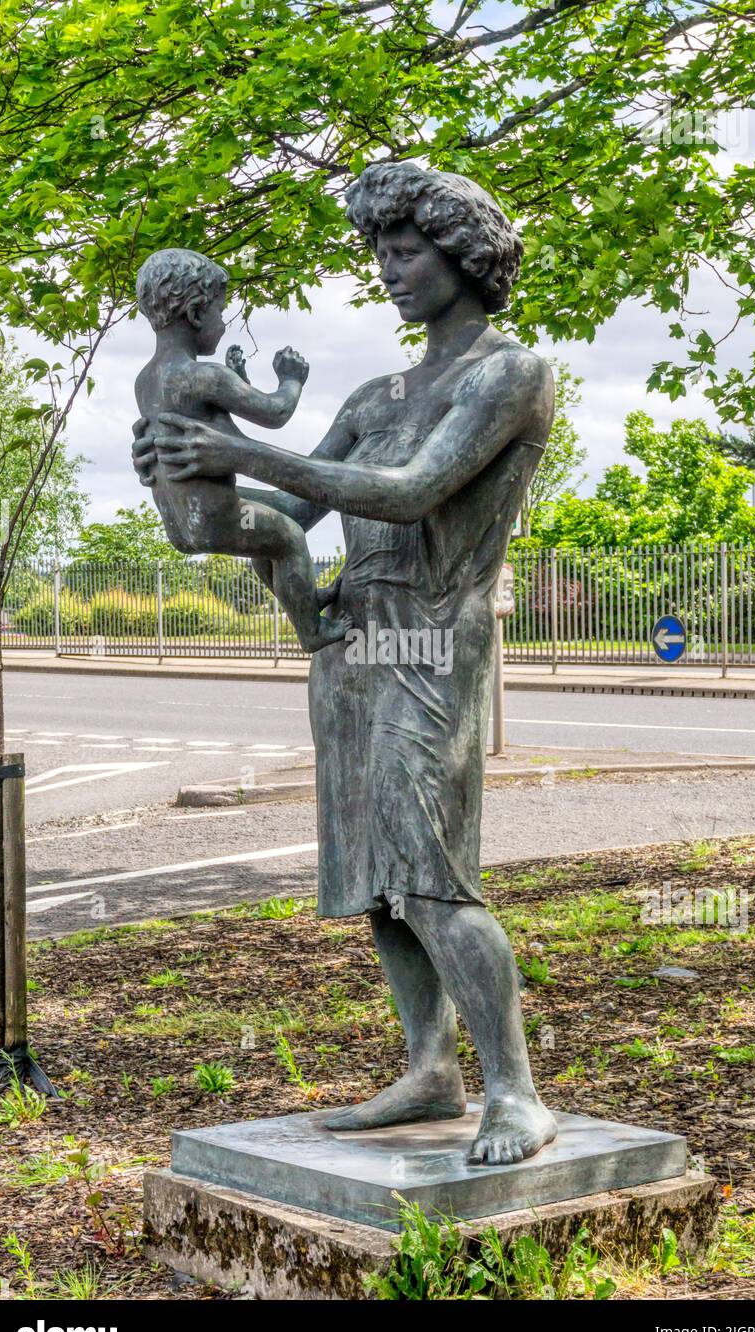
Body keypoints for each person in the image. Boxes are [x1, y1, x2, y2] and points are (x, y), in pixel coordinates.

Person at [133, 164, 557, 1165]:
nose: (387, 270)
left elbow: (408, 492)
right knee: (375, 882)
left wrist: (244, 455)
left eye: (405, 252)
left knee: (438, 880)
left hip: (428, 646)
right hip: (347, 645)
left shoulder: (509, 374)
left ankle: (514, 1091)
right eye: (379, 253)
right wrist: (192, 501)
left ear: (463, 255)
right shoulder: (375, 392)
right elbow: (297, 516)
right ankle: (429, 1069)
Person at [135, 247, 345, 653]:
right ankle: (311, 631)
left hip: (181, 517)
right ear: (196, 315)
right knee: (287, 536)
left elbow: (220, 428)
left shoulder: (147, 380)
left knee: (276, 517)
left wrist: (238, 380)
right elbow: (274, 413)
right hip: (214, 512)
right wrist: (291, 380)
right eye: (220, 312)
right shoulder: (202, 375)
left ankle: (303, 598)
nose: (223, 323)